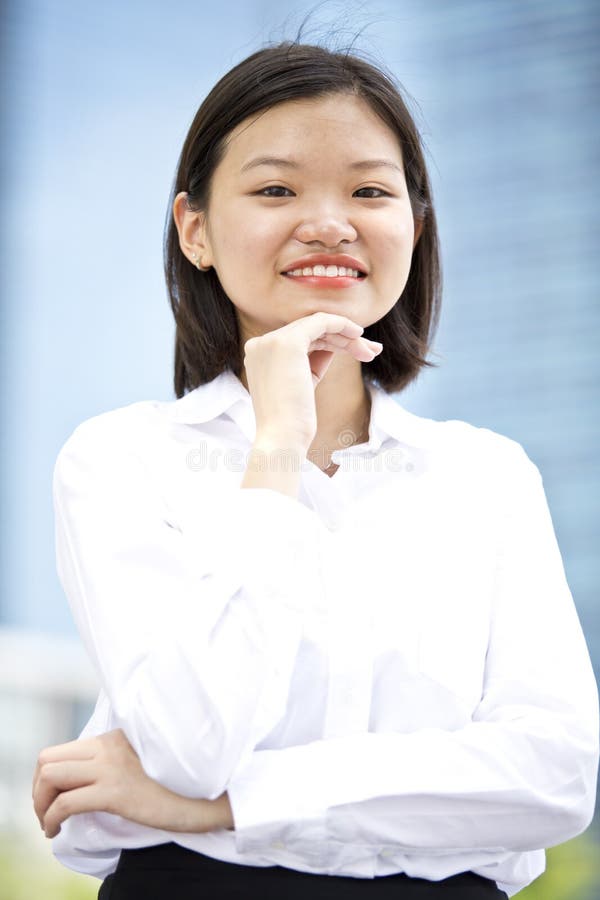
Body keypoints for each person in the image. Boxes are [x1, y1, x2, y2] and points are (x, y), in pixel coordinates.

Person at [32, 41, 599, 900]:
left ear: (415, 227)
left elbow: (553, 779)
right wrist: (277, 445)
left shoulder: (487, 476)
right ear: (194, 230)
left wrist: (232, 805)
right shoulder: (122, 460)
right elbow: (190, 747)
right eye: (276, 190)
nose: (331, 223)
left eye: (370, 192)